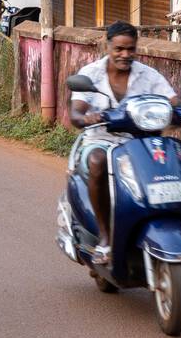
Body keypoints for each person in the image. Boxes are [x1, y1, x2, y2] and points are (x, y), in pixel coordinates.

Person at [70, 21, 175, 264]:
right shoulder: (90, 74)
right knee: (97, 162)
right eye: (119, 49)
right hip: (101, 140)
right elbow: (76, 112)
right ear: (108, 46)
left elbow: (173, 100)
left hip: (138, 143)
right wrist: (85, 117)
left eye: (130, 49)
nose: (125, 55)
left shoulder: (147, 75)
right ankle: (105, 240)